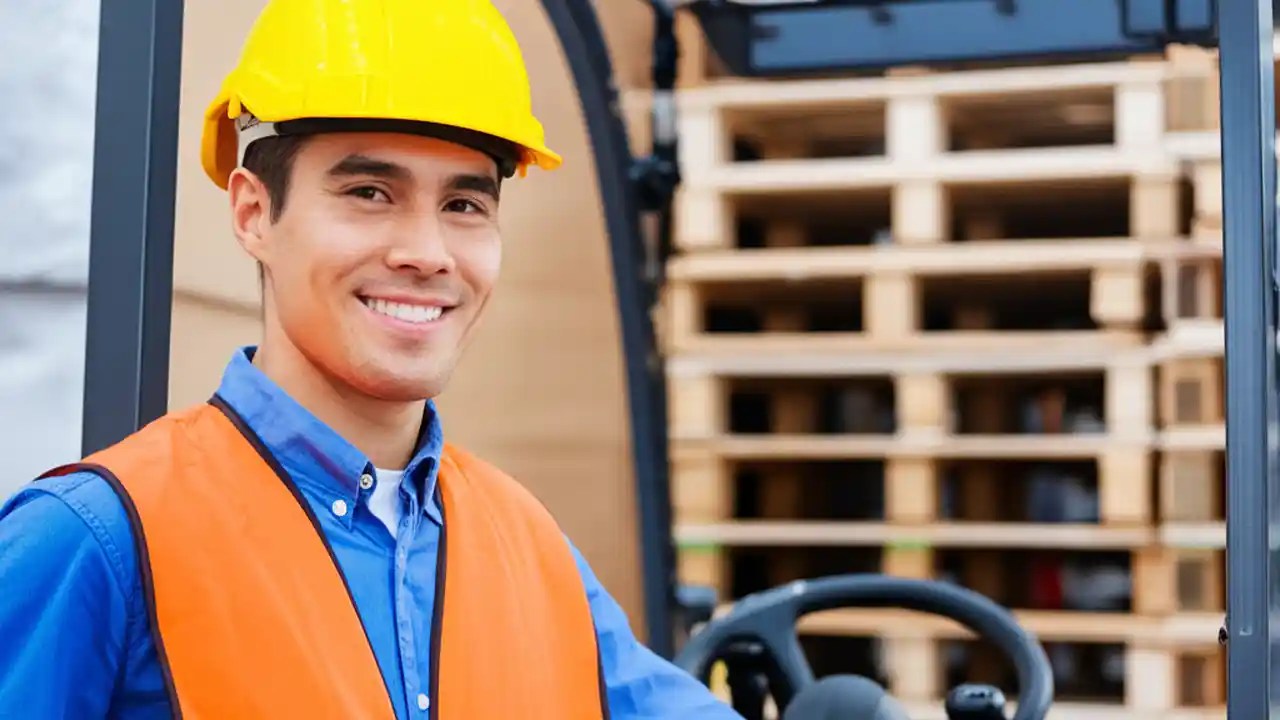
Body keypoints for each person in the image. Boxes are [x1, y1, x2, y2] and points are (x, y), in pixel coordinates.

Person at [0, 1, 744, 718]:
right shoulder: (96, 542)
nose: (426, 253)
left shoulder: (530, 546)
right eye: (369, 192)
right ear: (253, 213)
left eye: (463, 205)